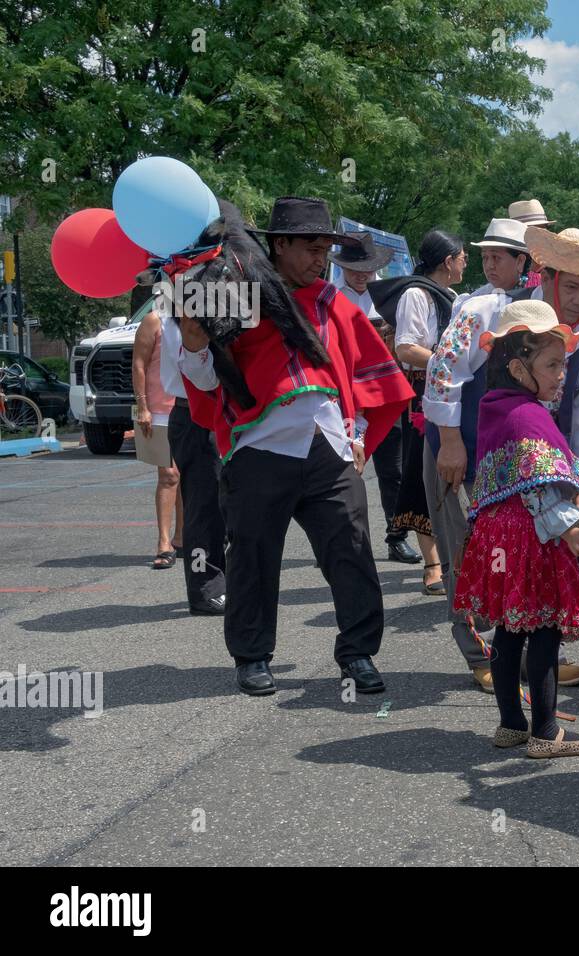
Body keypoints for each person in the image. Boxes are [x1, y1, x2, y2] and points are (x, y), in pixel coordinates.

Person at [176, 196, 414, 696]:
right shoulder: (233, 295)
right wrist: (195, 341)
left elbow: (374, 381)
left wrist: (360, 438)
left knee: (351, 551)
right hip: (260, 448)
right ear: (279, 245)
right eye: (309, 247)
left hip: (330, 448)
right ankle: (252, 656)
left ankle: (358, 653)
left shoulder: (334, 303)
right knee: (253, 556)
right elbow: (203, 379)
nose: (319, 258)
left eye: (325, 248)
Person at [454, 300, 579, 758]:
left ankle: (510, 725)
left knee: (509, 630)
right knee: (543, 631)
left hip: (500, 536)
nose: (562, 374)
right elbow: (539, 485)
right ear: (519, 367)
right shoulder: (529, 416)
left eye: (563, 363)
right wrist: (569, 530)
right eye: (552, 365)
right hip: (533, 536)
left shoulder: (495, 407)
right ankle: (546, 732)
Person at [422, 218, 530, 691]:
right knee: (463, 551)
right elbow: (443, 372)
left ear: (523, 262)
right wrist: (449, 443)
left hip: (503, 453)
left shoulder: (537, 307)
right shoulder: (480, 306)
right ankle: (477, 653)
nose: (489, 262)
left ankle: (524, 651)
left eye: (500, 256)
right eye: (485, 254)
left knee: (517, 549)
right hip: (459, 445)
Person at [370, 230, 468, 595]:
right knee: (423, 472)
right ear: (447, 261)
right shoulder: (417, 294)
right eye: (461, 257)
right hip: (422, 392)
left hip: (451, 391)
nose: (465, 262)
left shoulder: (454, 297)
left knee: (455, 474)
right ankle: (432, 564)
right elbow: (407, 348)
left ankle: (455, 558)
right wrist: (447, 364)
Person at [329, 232, 422, 566]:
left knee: (392, 469)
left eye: (367, 267)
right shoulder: (330, 297)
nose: (361, 274)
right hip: (344, 393)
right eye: (354, 267)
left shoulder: (390, 297)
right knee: (342, 470)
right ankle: (342, 538)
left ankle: (396, 536)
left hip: (384, 391)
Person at [151, 284, 226, 616]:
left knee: (224, 503)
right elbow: (202, 370)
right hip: (194, 411)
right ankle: (204, 588)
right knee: (203, 506)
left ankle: (222, 582)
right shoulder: (176, 321)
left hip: (220, 412)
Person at [129, 286, 182, 571]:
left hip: (190, 407)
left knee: (187, 476)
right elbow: (138, 364)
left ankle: (182, 537)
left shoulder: (192, 318)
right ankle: (163, 541)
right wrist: (143, 408)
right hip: (160, 409)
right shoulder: (154, 319)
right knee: (169, 475)